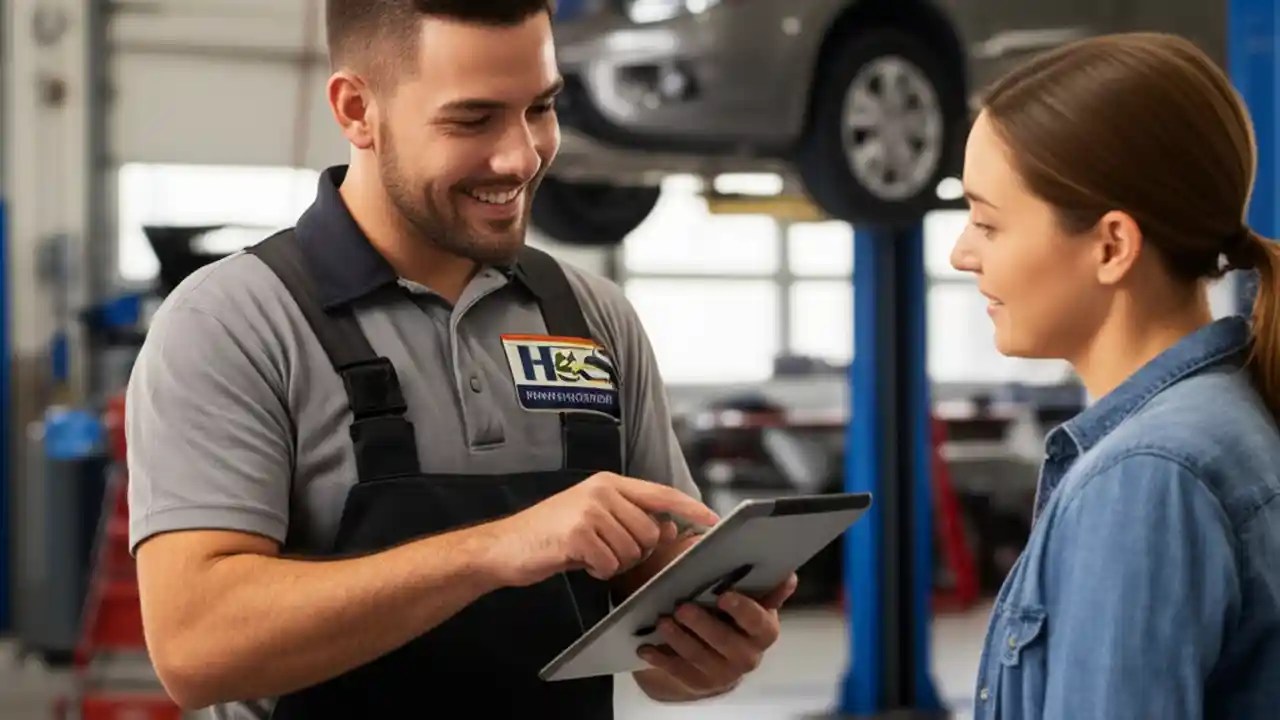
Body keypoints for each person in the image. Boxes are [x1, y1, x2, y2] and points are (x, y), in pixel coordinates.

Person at [125, 2, 797, 718]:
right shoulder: (234, 323)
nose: (521, 157)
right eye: (473, 120)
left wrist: (707, 652)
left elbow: (657, 647)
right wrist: (495, 550)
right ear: (357, 110)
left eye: (540, 108)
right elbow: (195, 648)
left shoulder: (592, 319)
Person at [951, 32, 1280, 719]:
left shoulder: (1147, 477)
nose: (961, 253)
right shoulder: (1230, 420)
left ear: (1112, 246)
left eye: (987, 223)